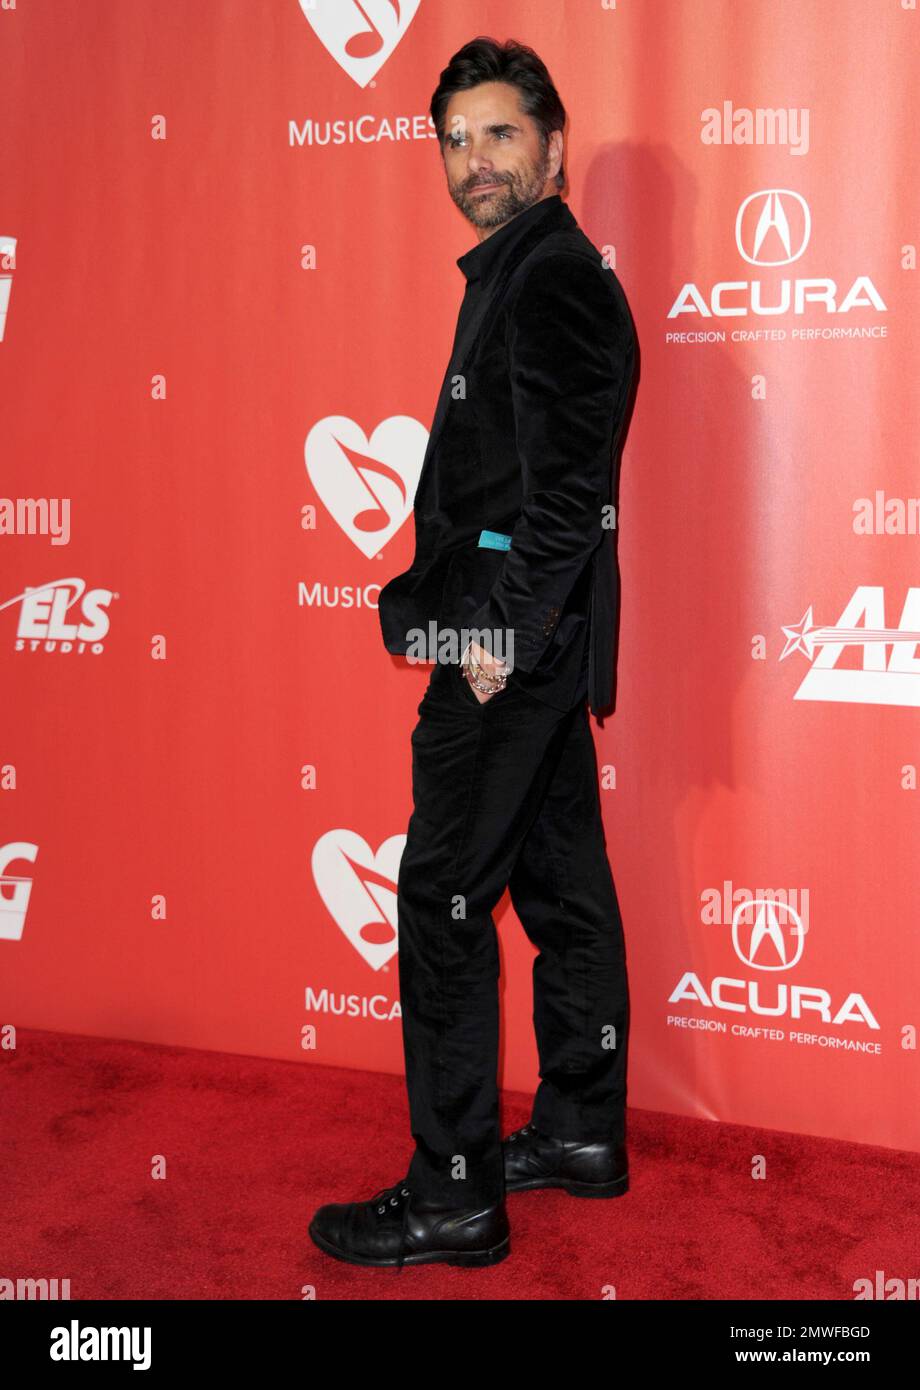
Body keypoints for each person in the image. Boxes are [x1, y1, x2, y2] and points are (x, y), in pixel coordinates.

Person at [309, 35, 638, 1270]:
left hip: (506, 640)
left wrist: (496, 634)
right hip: (529, 635)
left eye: (498, 134)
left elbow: (566, 493)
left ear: (553, 147)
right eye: (453, 139)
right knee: (558, 888)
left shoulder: (549, 276)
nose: (472, 160)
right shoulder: (518, 270)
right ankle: (576, 1128)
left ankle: (451, 1189)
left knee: (442, 899)